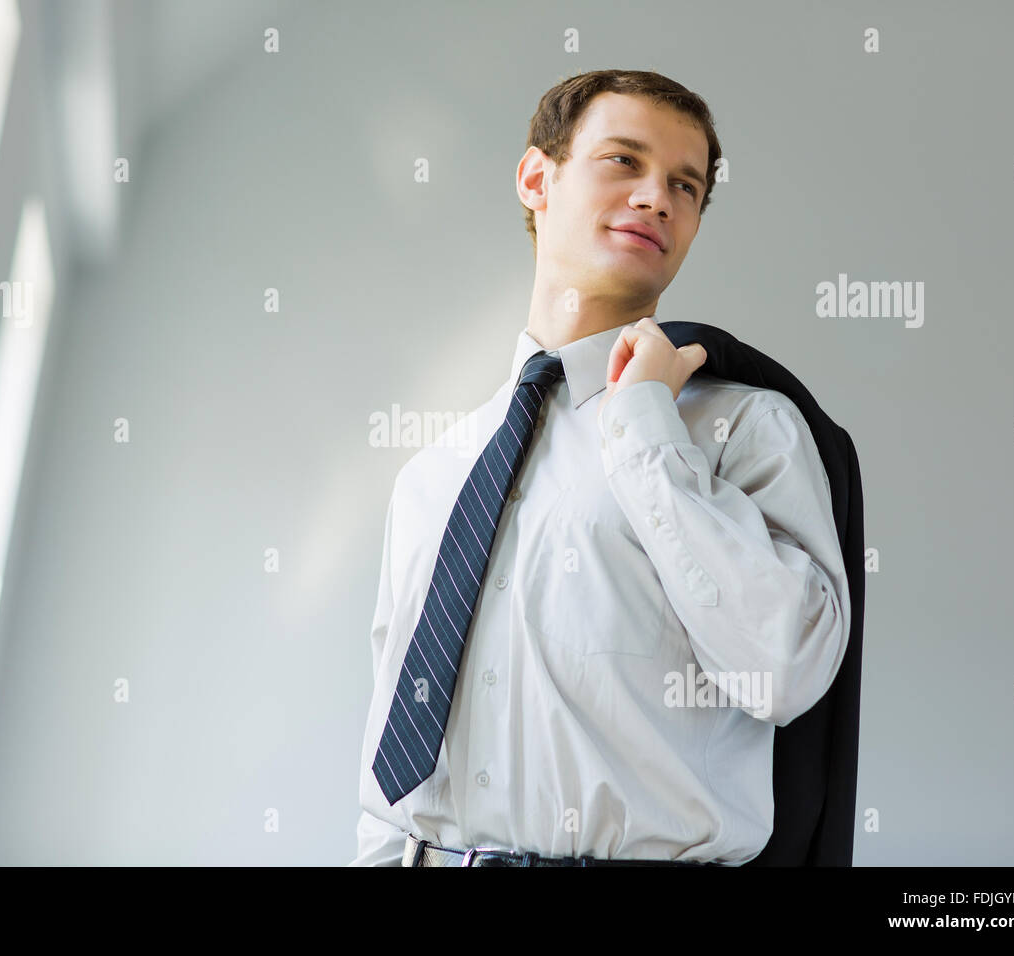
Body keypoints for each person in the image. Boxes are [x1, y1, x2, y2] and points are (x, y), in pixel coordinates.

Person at [350, 69, 851, 866]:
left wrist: (647, 429)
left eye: (686, 186)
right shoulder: (434, 476)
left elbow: (785, 669)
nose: (658, 198)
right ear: (536, 179)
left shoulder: (746, 430)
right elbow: (391, 746)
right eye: (624, 160)